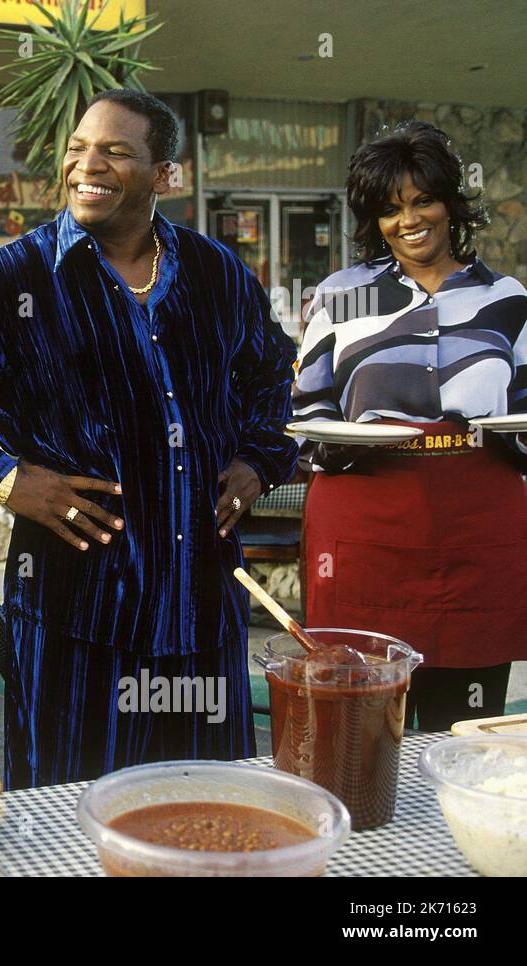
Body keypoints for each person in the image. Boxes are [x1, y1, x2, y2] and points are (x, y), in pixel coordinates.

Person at [0, 90, 298, 788]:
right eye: (78, 148)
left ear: (165, 176)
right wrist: (0, 475)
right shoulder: (12, 282)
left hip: (203, 616)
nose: (87, 165)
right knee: (72, 822)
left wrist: (258, 458)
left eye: (116, 151)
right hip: (80, 620)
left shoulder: (218, 276)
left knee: (212, 811)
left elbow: (272, 369)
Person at [293, 121, 527, 731]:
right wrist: (340, 445)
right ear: (374, 221)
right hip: (367, 524)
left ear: (450, 202)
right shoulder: (342, 295)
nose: (409, 220)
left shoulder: (507, 297)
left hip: (481, 525)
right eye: (390, 209)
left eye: (423, 200)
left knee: (468, 728)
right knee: (360, 725)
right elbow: (308, 407)